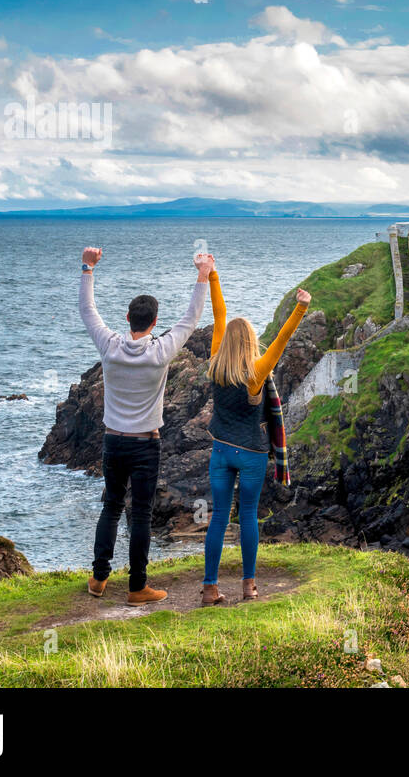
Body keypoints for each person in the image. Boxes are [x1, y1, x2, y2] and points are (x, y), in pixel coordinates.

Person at [79, 246, 212, 605]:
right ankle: (137, 587)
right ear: (154, 322)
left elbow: (88, 311)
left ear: (127, 317)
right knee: (141, 513)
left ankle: (98, 578)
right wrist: (202, 274)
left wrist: (88, 268)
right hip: (145, 443)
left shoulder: (109, 346)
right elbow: (191, 318)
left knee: (111, 506)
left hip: (112, 441)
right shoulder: (161, 351)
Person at [201, 265, 310, 604]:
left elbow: (220, 316)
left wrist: (212, 276)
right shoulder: (256, 373)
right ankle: (248, 587)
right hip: (251, 454)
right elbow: (281, 340)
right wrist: (301, 307)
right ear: (250, 342)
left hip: (221, 452)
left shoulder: (215, 364)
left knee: (218, 517)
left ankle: (210, 588)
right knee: (247, 515)